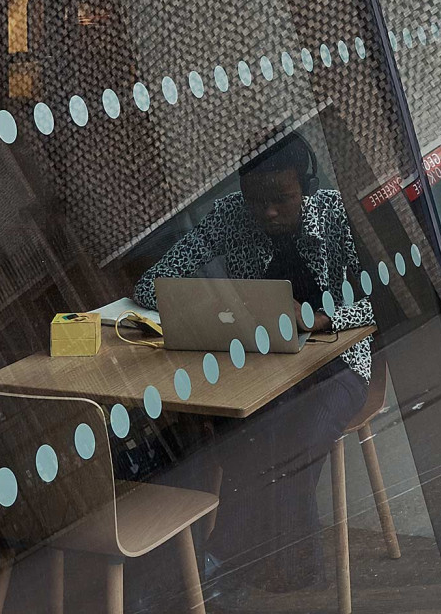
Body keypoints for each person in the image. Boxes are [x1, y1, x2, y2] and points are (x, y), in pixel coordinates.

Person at [135, 130, 373, 591]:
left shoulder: (331, 214)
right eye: (256, 201)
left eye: (281, 199)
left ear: (305, 186)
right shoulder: (231, 218)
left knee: (298, 443)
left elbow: (373, 301)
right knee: (233, 436)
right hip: (264, 369)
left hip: (337, 362)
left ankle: (243, 561)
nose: (266, 213)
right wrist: (206, 306)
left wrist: (328, 319)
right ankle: (254, 564)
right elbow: (151, 287)